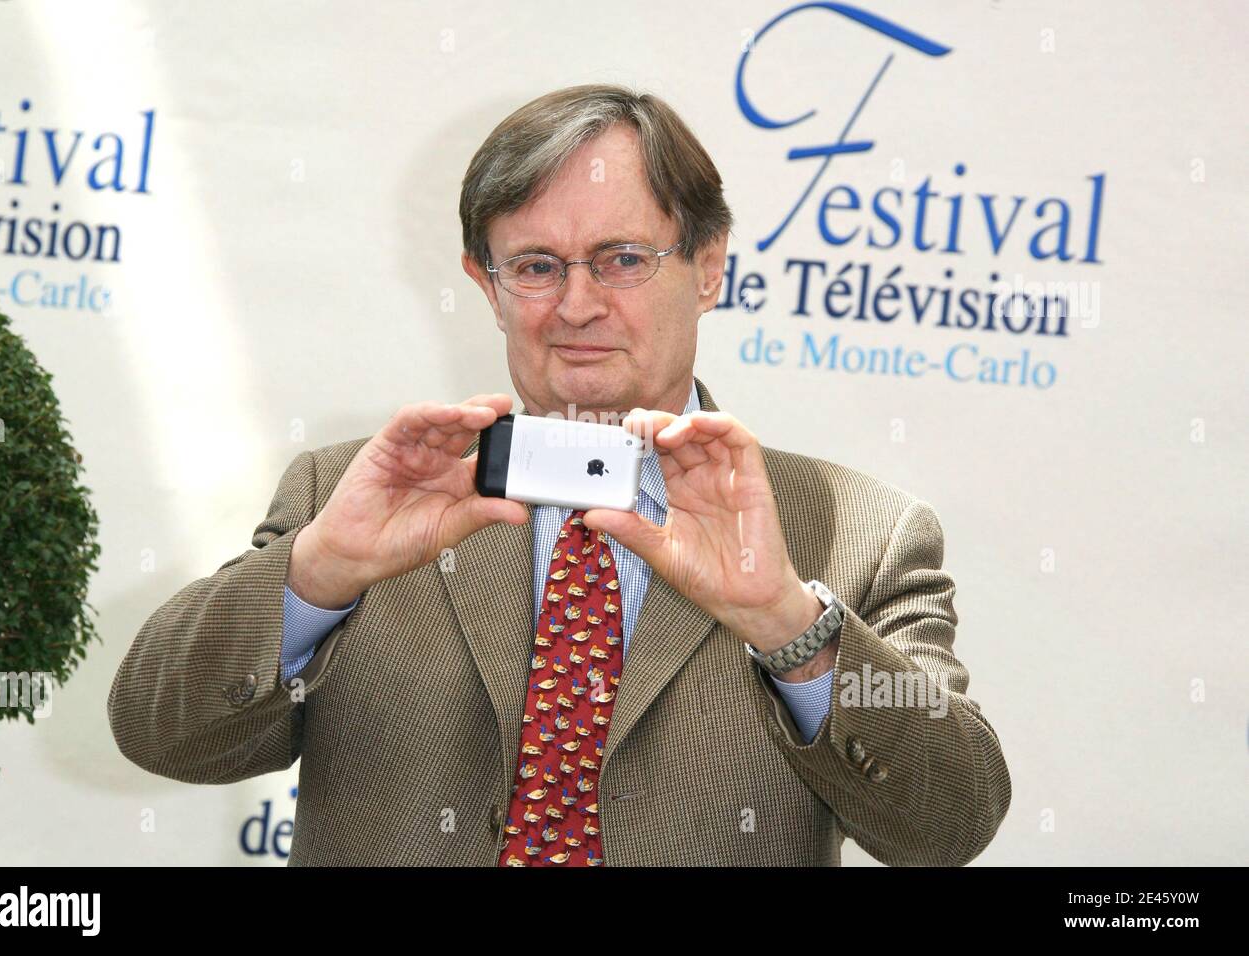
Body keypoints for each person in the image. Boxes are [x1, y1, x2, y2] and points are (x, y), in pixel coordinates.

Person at [108, 84, 1011, 866]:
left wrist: (787, 625)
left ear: (708, 266)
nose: (578, 306)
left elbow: (946, 828)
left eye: (623, 259)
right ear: (487, 282)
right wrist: (318, 575)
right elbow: (162, 732)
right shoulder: (357, 500)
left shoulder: (859, 532)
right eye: (536, 267)